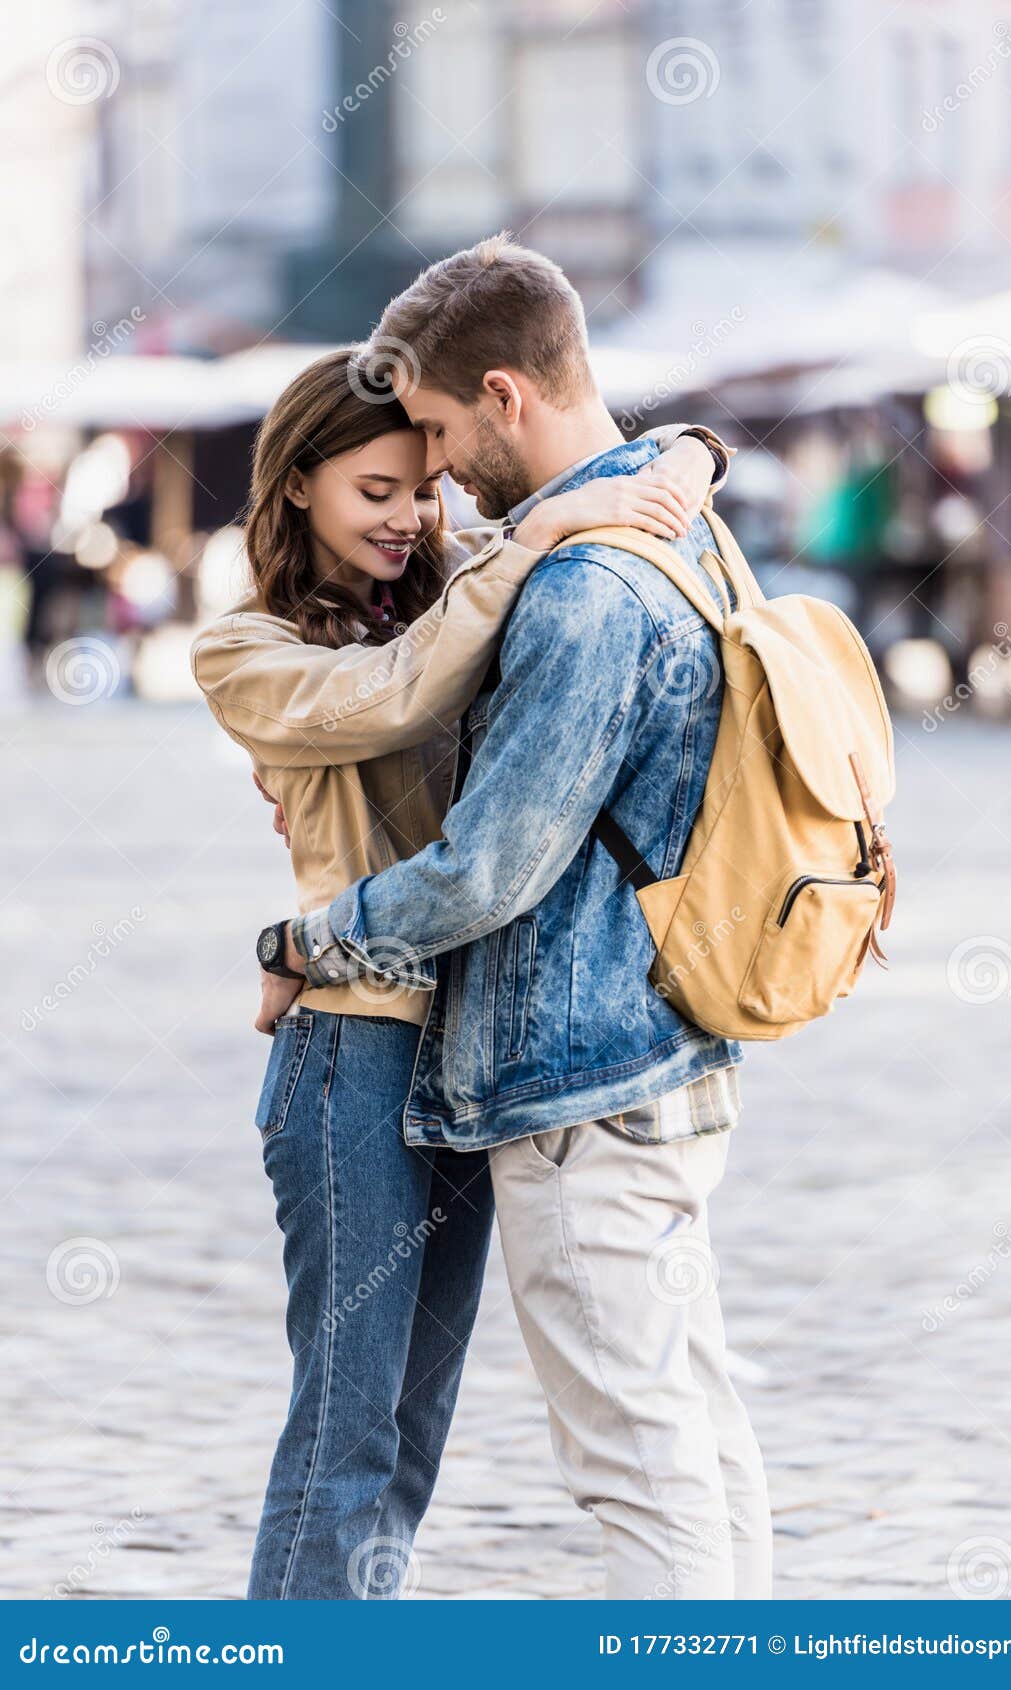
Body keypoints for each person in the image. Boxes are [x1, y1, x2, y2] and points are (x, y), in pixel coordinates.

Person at [262, 237, 773, 1601]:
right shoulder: (677, 524)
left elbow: (489, 869)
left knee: (638, 1458)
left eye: (433, 431)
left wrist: (305, 937)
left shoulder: (588, 586)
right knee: (696, 1435)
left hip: (578, 1079)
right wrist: (693, 451)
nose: (433, 476)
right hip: (665, 1049)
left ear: (501, 392)